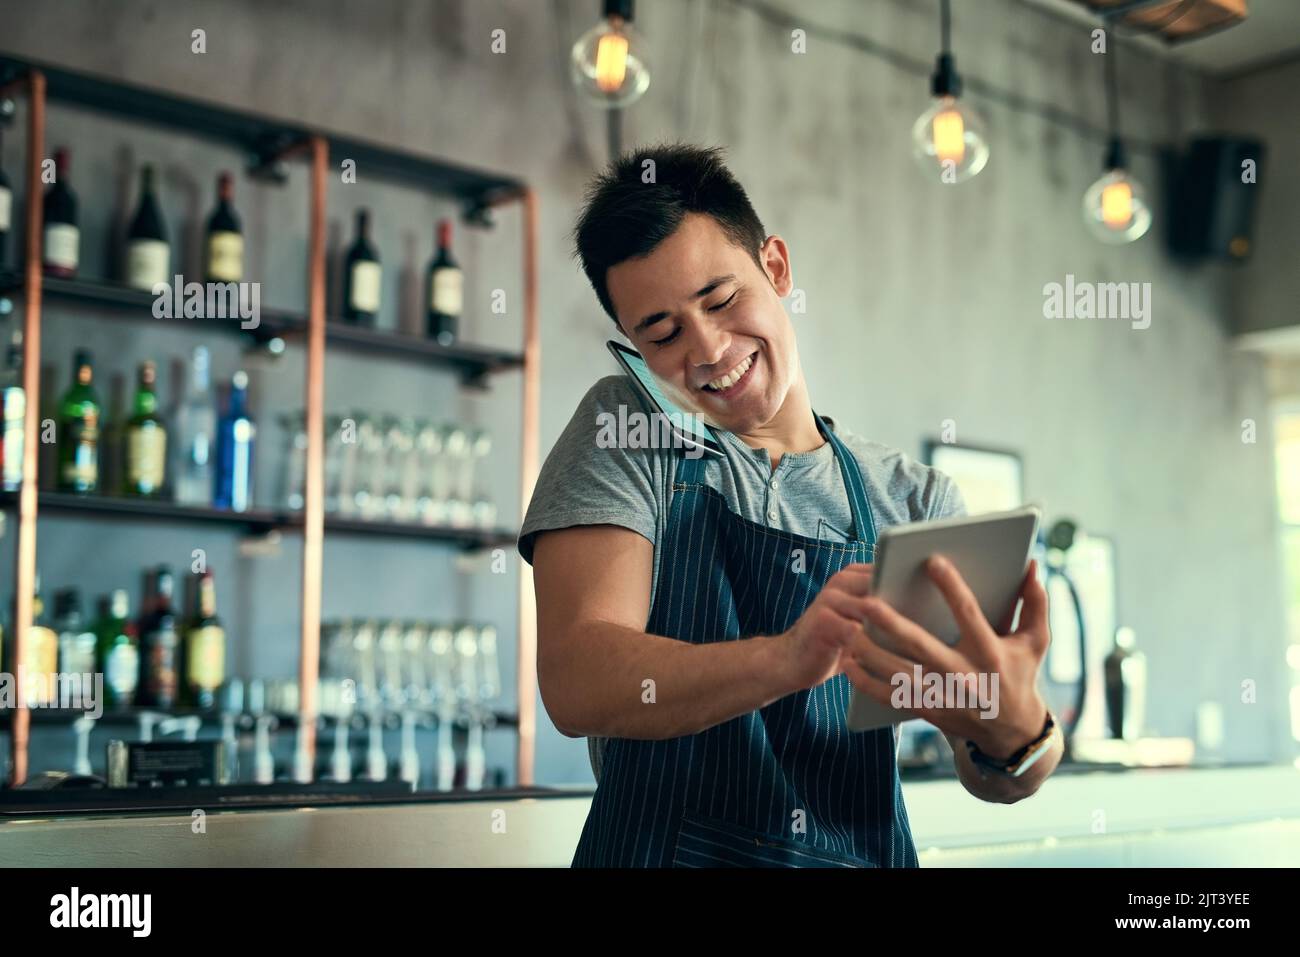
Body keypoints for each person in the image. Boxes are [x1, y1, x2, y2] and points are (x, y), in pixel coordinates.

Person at [518, 143, 1062, 867]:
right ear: (634, 348)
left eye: (721, 300)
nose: (708, 349)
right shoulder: (627, 428)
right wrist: (785, 658)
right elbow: (578, 676)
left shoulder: (916, 499)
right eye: (664, 332)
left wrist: (1017, 729)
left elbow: (992, 770)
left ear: (775, 267)